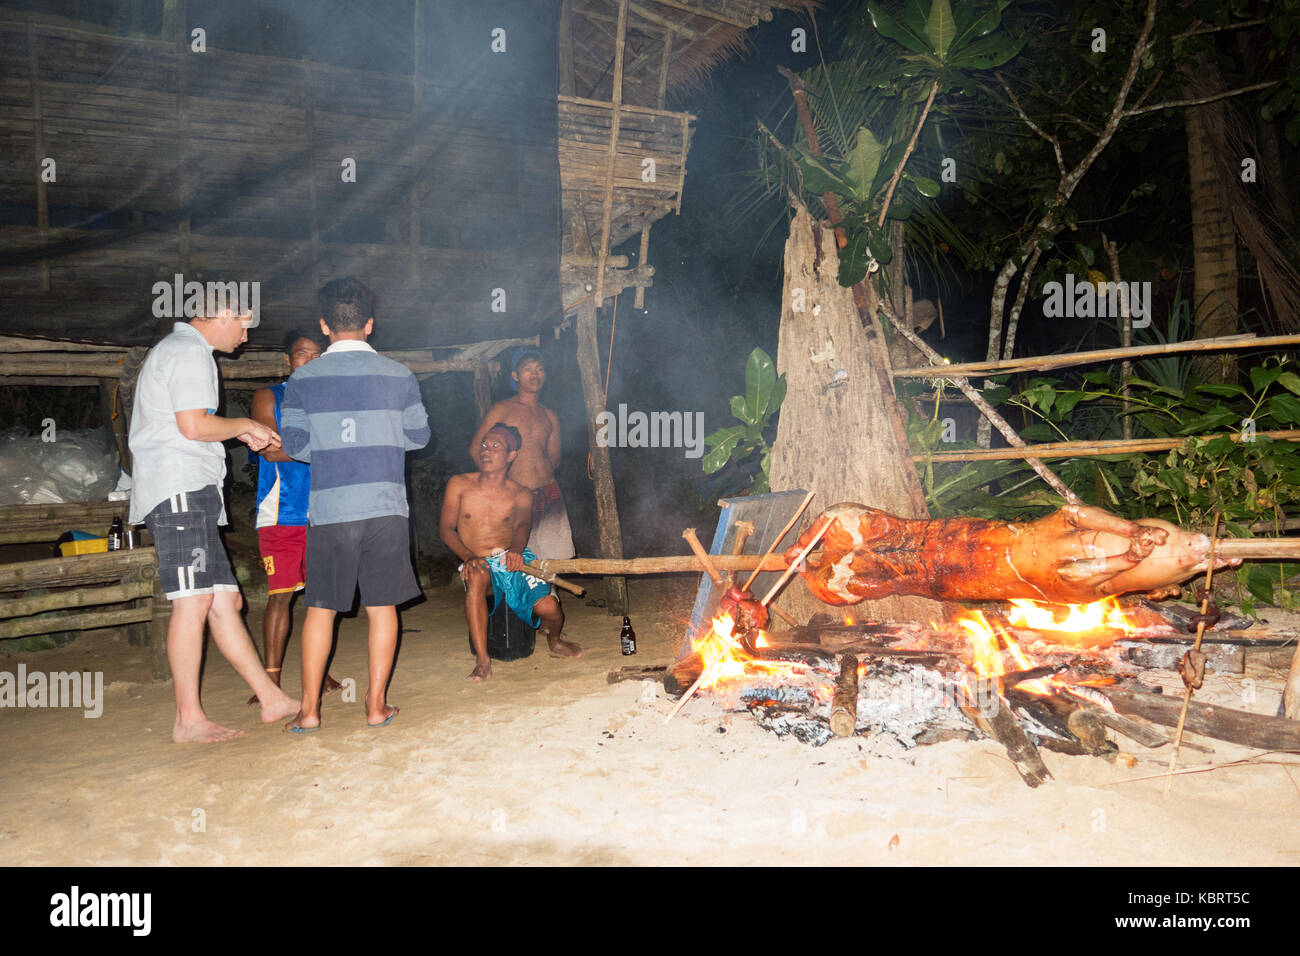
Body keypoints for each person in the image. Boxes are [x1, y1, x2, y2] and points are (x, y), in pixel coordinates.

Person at [128, 307, 301, 743]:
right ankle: (188, 718)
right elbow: (193, 425)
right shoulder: (188, 351)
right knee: (193, 602)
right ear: (221, 312)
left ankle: (271, 698)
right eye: (243, 323)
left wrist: (239, 431)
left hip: (192, 489)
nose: (246, 336)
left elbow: (193, 425)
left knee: (226, 602)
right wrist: (245, 424)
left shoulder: (184, 350)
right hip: (179, 488)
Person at [278, 277, 429, 732]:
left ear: (325, 325)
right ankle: (375, 706)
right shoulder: (400, 374)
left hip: (330, 509)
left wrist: (332, 445)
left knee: (321, 607)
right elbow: (419, 437)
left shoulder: (302, 378)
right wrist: (379, 439)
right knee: (382, 606)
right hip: (385, 506)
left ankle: (308, 712)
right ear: (369, 324)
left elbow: (296, 445)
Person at [441, 423, 583, 681]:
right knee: (475, 579)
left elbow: (521, 528)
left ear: (511, 455)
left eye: (496, 446)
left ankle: (554, 639)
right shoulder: (459, 484)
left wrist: (517, 551)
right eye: (484, 444)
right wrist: (469, 557)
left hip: (511, 556)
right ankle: (482, 661)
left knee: (550, 607)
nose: (487, 450)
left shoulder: (521, 493)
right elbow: (446, 529)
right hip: (477, 560)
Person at [246, 329, 340, 706]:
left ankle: (320, 671)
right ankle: (271, 681)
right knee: (281, 596)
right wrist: (331, 447)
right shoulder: (269, 396)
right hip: (282, 511)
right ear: (288, 359)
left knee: (322, 599)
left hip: (326, 511)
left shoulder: (332, 401)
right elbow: (271, 451)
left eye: (318, 355)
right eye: (303, 354)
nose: (310, 361)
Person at [468, 348, 575, 559]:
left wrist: (541, 479)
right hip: (515, 495)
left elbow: (554, 458)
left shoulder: (549, 415)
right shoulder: (502, 409)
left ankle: (550, 593)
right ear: (515, 376)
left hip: (549, 492)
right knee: (520, 559)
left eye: (540, 369)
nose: (534, 374)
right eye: (527, 369)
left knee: (554, 560)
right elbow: (475, 449)